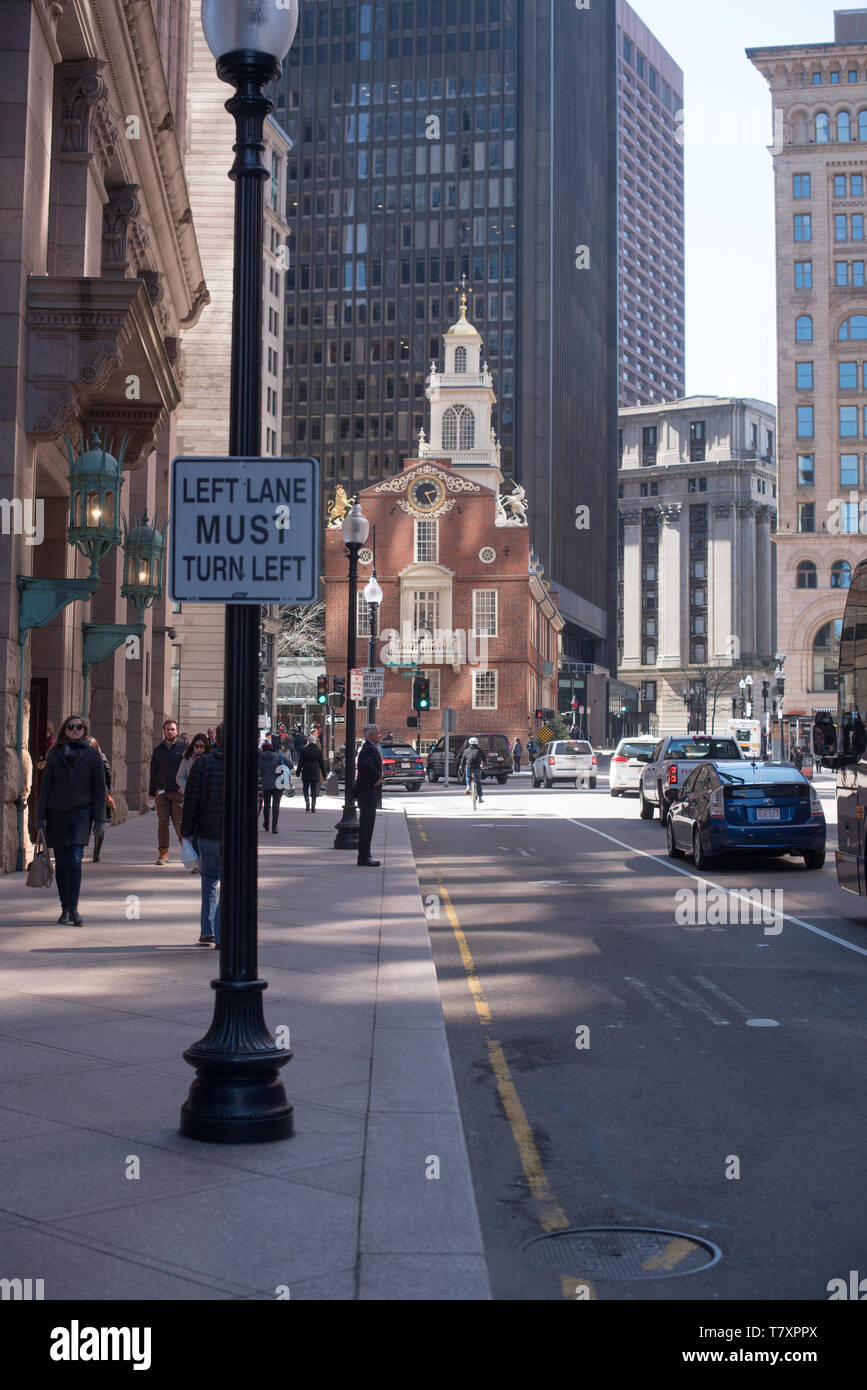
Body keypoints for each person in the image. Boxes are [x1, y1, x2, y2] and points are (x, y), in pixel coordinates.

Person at [36, 714, 105, 926]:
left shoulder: (93, 755)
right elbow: (46, 787)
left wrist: (99, 819)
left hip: (81, 814)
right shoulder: (55, 753)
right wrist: (40, 817)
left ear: (84, 730)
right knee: (62, 862)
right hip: (56, 813)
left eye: (79, 727)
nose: (75, 730)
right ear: (65, 730)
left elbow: (99, 789)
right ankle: (64, 908)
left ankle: (74, 908)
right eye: (71, 726)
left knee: (75, 859)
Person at [180, 723, 223, 947]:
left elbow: (191, 801)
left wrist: (187, 832)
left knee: (209, 879)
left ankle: (208, 931)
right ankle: (221, 933)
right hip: (232, 835)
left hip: (207, 832)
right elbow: (257, 798)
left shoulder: (203, 763)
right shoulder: (245, 763)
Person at [147, 719, 185, 865]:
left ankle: (188, 851)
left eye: (172, 729)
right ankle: (163, 853)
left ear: (177, 731)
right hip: (161, 793)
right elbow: (153, 773)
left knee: (179, 824)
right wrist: (151, 794)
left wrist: (186, 787)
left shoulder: (185, 748)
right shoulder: (158, 750)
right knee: (163, 824)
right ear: (164, 731)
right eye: (168, 729)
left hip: (178, 793)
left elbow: (190, 770)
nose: (170, 732)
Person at [356, 723, 383, 867]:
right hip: (367, 791)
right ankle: (364, 857)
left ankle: (366, 855)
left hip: (367, 791)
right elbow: (368, 765)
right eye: (378, 733)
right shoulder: (369, 748)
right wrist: (377, 776)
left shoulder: (369, 747)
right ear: (371, 735)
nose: (380, 735)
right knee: (366, 825)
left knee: (367, 825)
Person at [89, 737, 114, 862]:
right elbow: (109, 777)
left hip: (98, 795)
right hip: (94, 795)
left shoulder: (100, 758)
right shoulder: (101, 758)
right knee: (97, 823)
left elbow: (108, 776)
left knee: (99, 824)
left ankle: (96, 852)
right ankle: (95, 852)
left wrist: (107, 793)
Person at [260, 737, 292, 832]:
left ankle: (266, 824)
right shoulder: (278, 757)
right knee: (276, 805)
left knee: (266, 804)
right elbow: (290, 765)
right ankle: (274, 826)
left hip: (265, 784)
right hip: (278, 784)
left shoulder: (259, 759)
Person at [296, 735, 326, 811]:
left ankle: (307, 801)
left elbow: (300, 762)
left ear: (308, 741)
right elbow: (321, 764)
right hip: (315, 771)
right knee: (313, 789)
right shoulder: (318, 750)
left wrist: (298, 772)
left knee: (305, 788)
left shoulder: (304, 750)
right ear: (315, 741)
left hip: (306, 770)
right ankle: (313, 805)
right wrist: (324, 774)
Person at [458, 737, 487, 803]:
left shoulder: (466, 751)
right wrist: (483, 765)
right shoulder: (480, 750)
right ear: (477, 742)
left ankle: (468, 786)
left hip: (469, 767)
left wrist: (462, 767)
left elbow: (463, 760)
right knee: (478, 782)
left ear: (469, 743)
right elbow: (484, 758)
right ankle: (480, 798)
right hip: (477, 767)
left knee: (468, 777)